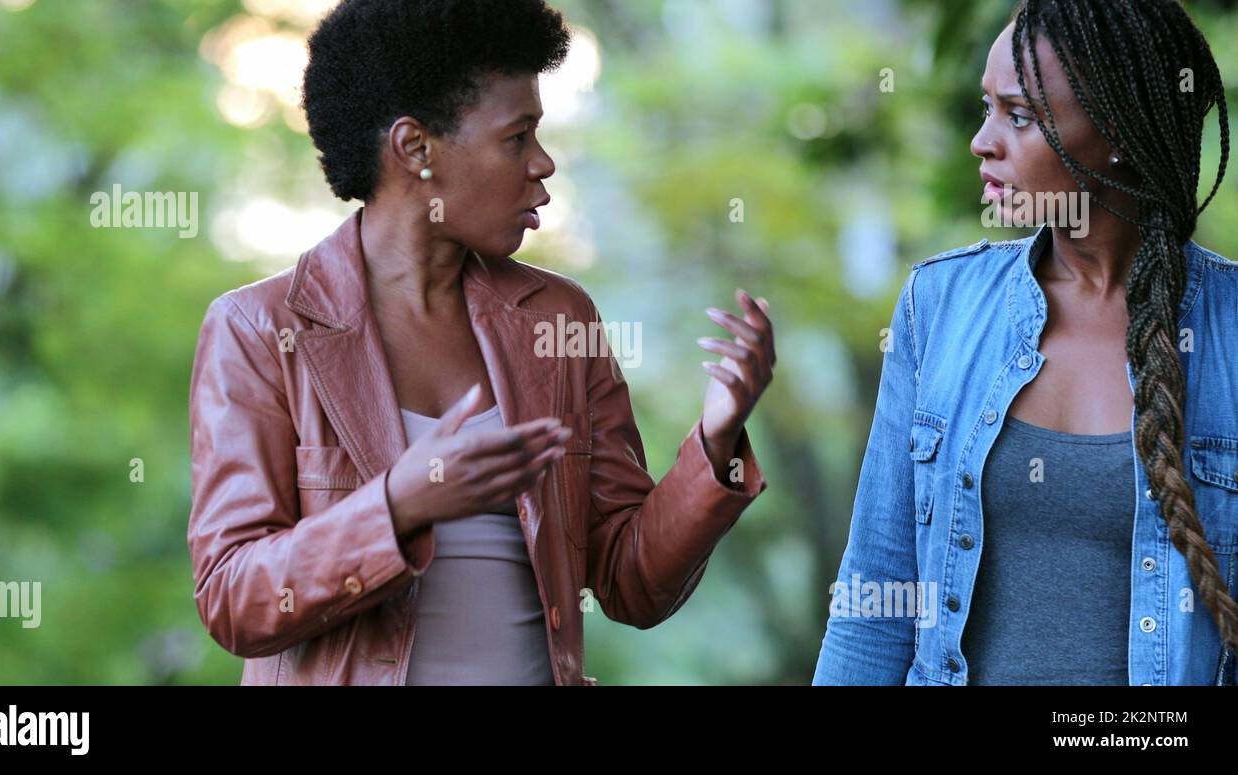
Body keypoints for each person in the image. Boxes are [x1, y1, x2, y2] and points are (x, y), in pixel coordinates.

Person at [187, 0, 774, 685]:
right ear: (416, 148)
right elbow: (234, 599)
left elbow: (629, 580)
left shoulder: (559, 318)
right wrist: (398, 505)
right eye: (517, 137)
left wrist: (717, 443)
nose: (544, 163)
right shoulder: (258, 330)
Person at [814, 0, 1238, 685]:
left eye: (1018, 116)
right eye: (987, 109)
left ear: (1116, 132)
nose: (983, 141)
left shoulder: (1230, 331)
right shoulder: (940, 306)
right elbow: (875, 598)